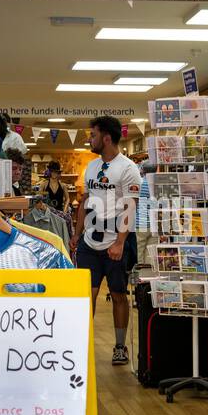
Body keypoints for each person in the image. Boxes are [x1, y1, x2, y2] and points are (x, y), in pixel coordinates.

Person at [73, 115, 141, 365]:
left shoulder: (128, 168)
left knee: (119, 294)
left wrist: (120, 242)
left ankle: (120, 346)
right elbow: (85, 202)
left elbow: (131, 206)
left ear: (107, 138)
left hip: (116, 240)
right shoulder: (91, 166)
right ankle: (82, 343)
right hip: (90, 241)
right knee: (86, 293)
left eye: (93, 135)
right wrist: (77, 234)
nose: (89, 139)